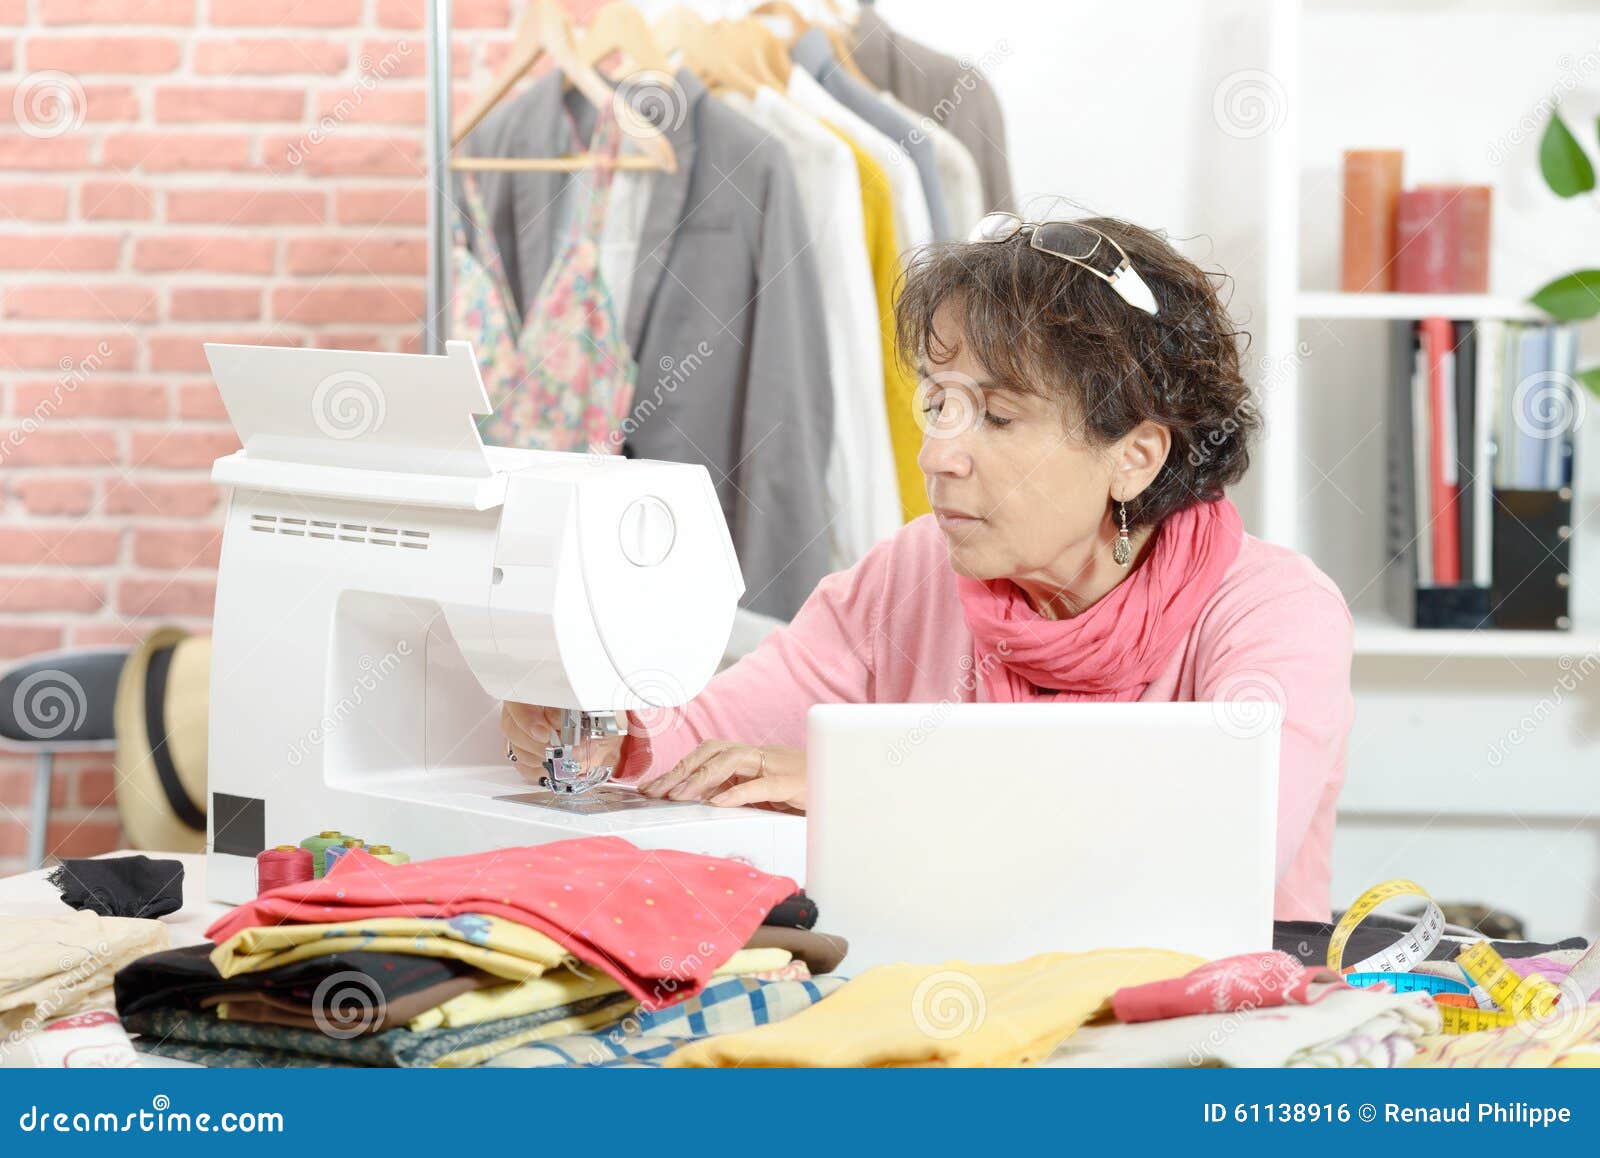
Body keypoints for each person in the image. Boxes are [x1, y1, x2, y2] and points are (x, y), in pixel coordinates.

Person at [502, 214, 1354, 921]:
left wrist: (859, 790)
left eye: (1000, 417)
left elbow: (1218, 846)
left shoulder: (1274, 613)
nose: (940, 453)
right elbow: (704, 747)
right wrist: (596, 735)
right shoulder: (915, 570)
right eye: (940, 402)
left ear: (1133, 456)